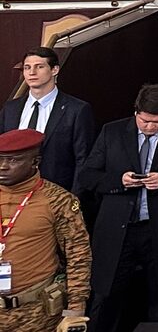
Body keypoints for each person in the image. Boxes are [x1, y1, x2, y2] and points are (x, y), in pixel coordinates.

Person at [77, 85, 158, 332]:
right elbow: (88, 175)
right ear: (136, 111)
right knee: (107, 298)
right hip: (119, 230)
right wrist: (119, 180)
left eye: (157, 122)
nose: (150, 127)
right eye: (145, 121)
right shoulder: (111, 132)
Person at [0, 129, 91, 332]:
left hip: (35, 313)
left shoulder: (58, 200)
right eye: (0, 159)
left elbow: (78, 257)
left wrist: (75, 311)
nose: (3, 167)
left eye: (13, 160)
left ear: (35, 162)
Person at [0, 48, 96, 192]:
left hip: (56, 194)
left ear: (54, 70)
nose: (32, 72)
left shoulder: (77, 109)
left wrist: (74, 199)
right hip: (13, 193)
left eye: (39, 66)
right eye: (27, 67)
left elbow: (83, 159)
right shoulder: (10, 108)